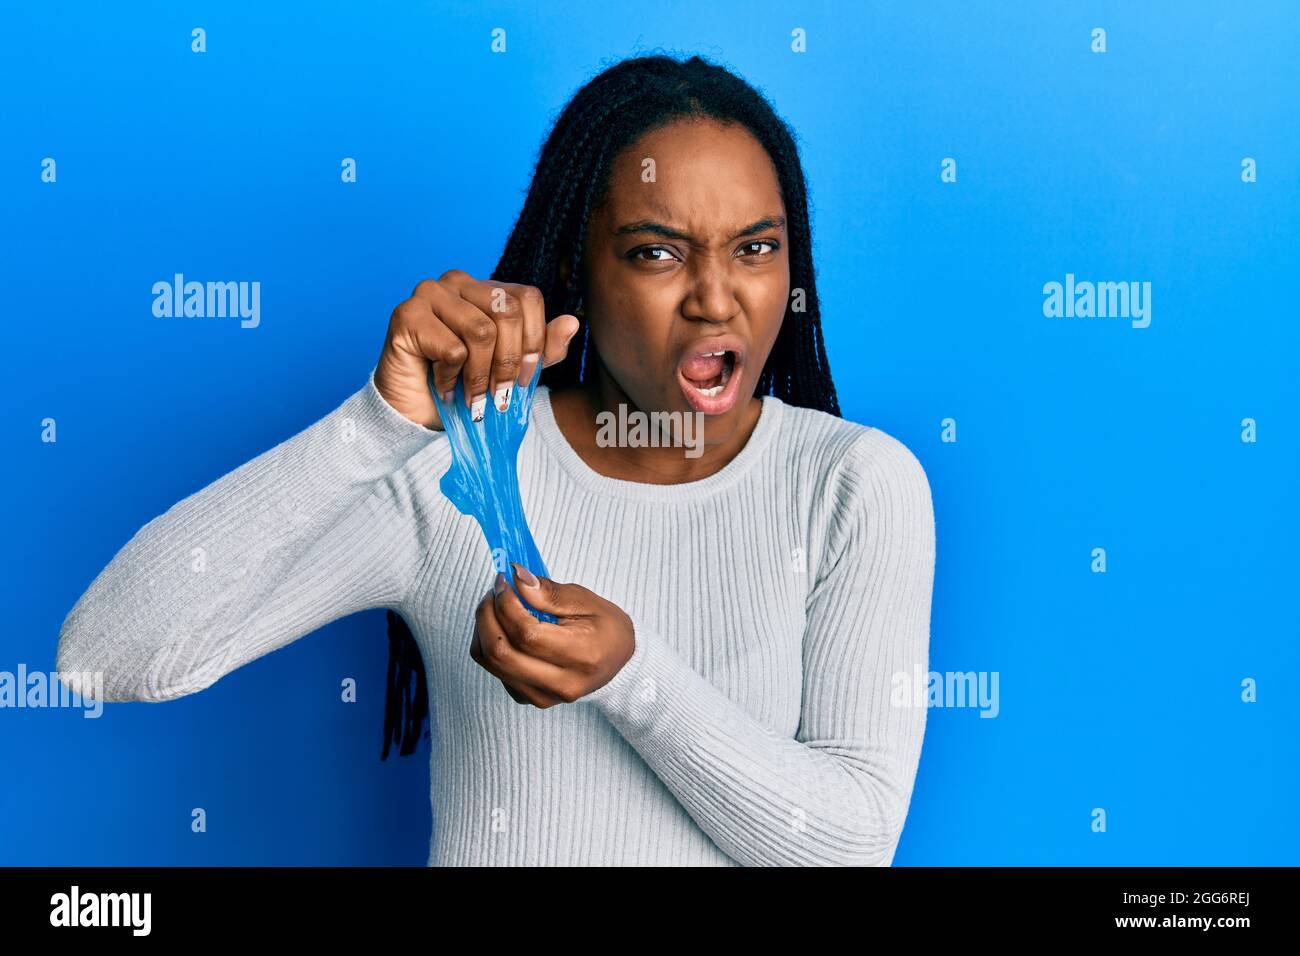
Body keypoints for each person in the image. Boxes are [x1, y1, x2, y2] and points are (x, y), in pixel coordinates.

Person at [56, 53, 936, 866]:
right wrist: (378, 425)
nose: (716, 297)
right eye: (656, 252)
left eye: (755, 247)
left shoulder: (853, 484)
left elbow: (850, 845)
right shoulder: (459, 467)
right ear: (577, 271)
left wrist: (633, 678)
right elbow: (107, 656)